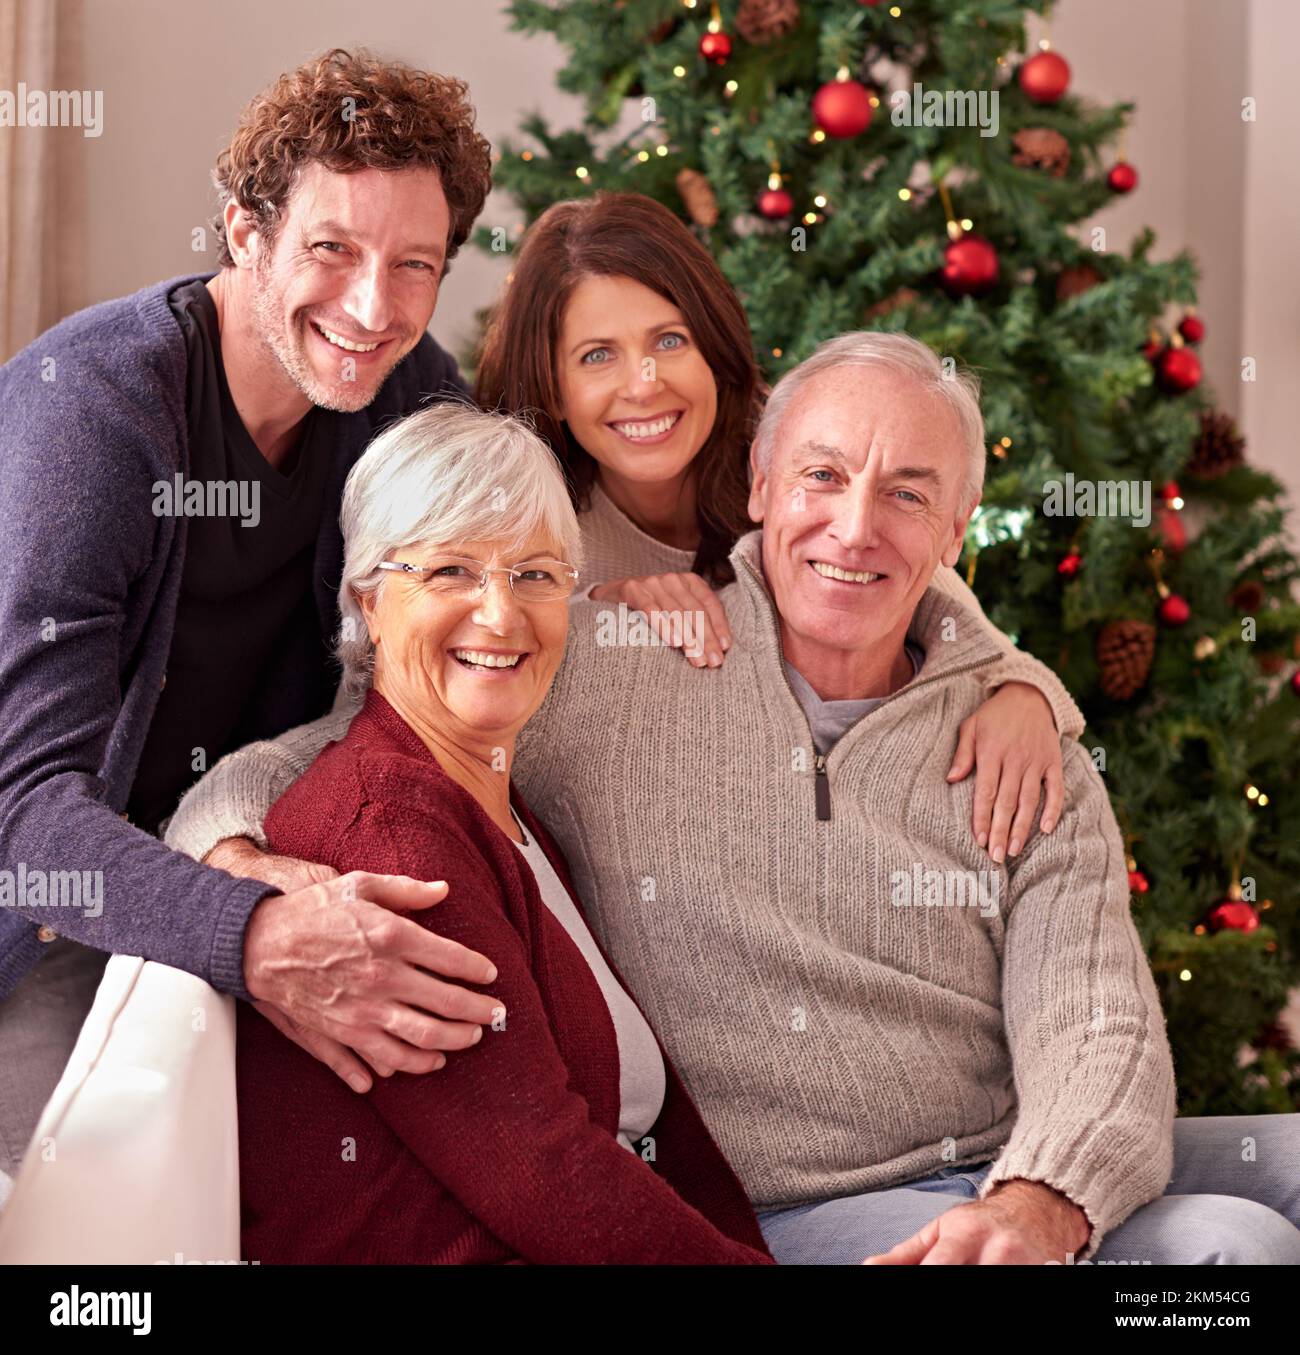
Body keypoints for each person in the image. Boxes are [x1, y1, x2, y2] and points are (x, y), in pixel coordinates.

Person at [172, 332, 1300, 1264]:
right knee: (1232, 1249)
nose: (854, 527)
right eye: (822, 476)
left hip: (1006, 1157)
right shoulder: (599, 665)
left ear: (956, 533)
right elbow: (358, 744)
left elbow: (1096, 1016)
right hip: (777, 1206)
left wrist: (1038, 1201)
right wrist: (237, 870)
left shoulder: (1019, 737)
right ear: (759, 485)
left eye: (907, 493)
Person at [0, 49, 503, 1190]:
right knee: (83, 1197)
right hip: (43, 914)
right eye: (332, 250)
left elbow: (511, 580)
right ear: (244, 233)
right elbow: (25, 817)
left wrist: (649, 585)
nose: (372, 308)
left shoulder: (406, 393)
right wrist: (257, 935)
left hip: (239, 862)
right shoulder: (93, 414)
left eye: (414, 265)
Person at [235, 402, 771, 1263]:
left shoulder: (503, 809)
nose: (500, 614)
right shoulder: (393, 834)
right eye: (451, 570)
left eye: (534, 574)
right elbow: (545, 1175)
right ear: (371, 601)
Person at [475, 191, 1071, 861]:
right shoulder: (523, 525)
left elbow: (917, 577)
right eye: (596, 356)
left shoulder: (795, 460)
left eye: (669, 341)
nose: (642, 385)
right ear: (551, 385)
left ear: (713, 346)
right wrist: (596, 603)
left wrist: (1025, 690)